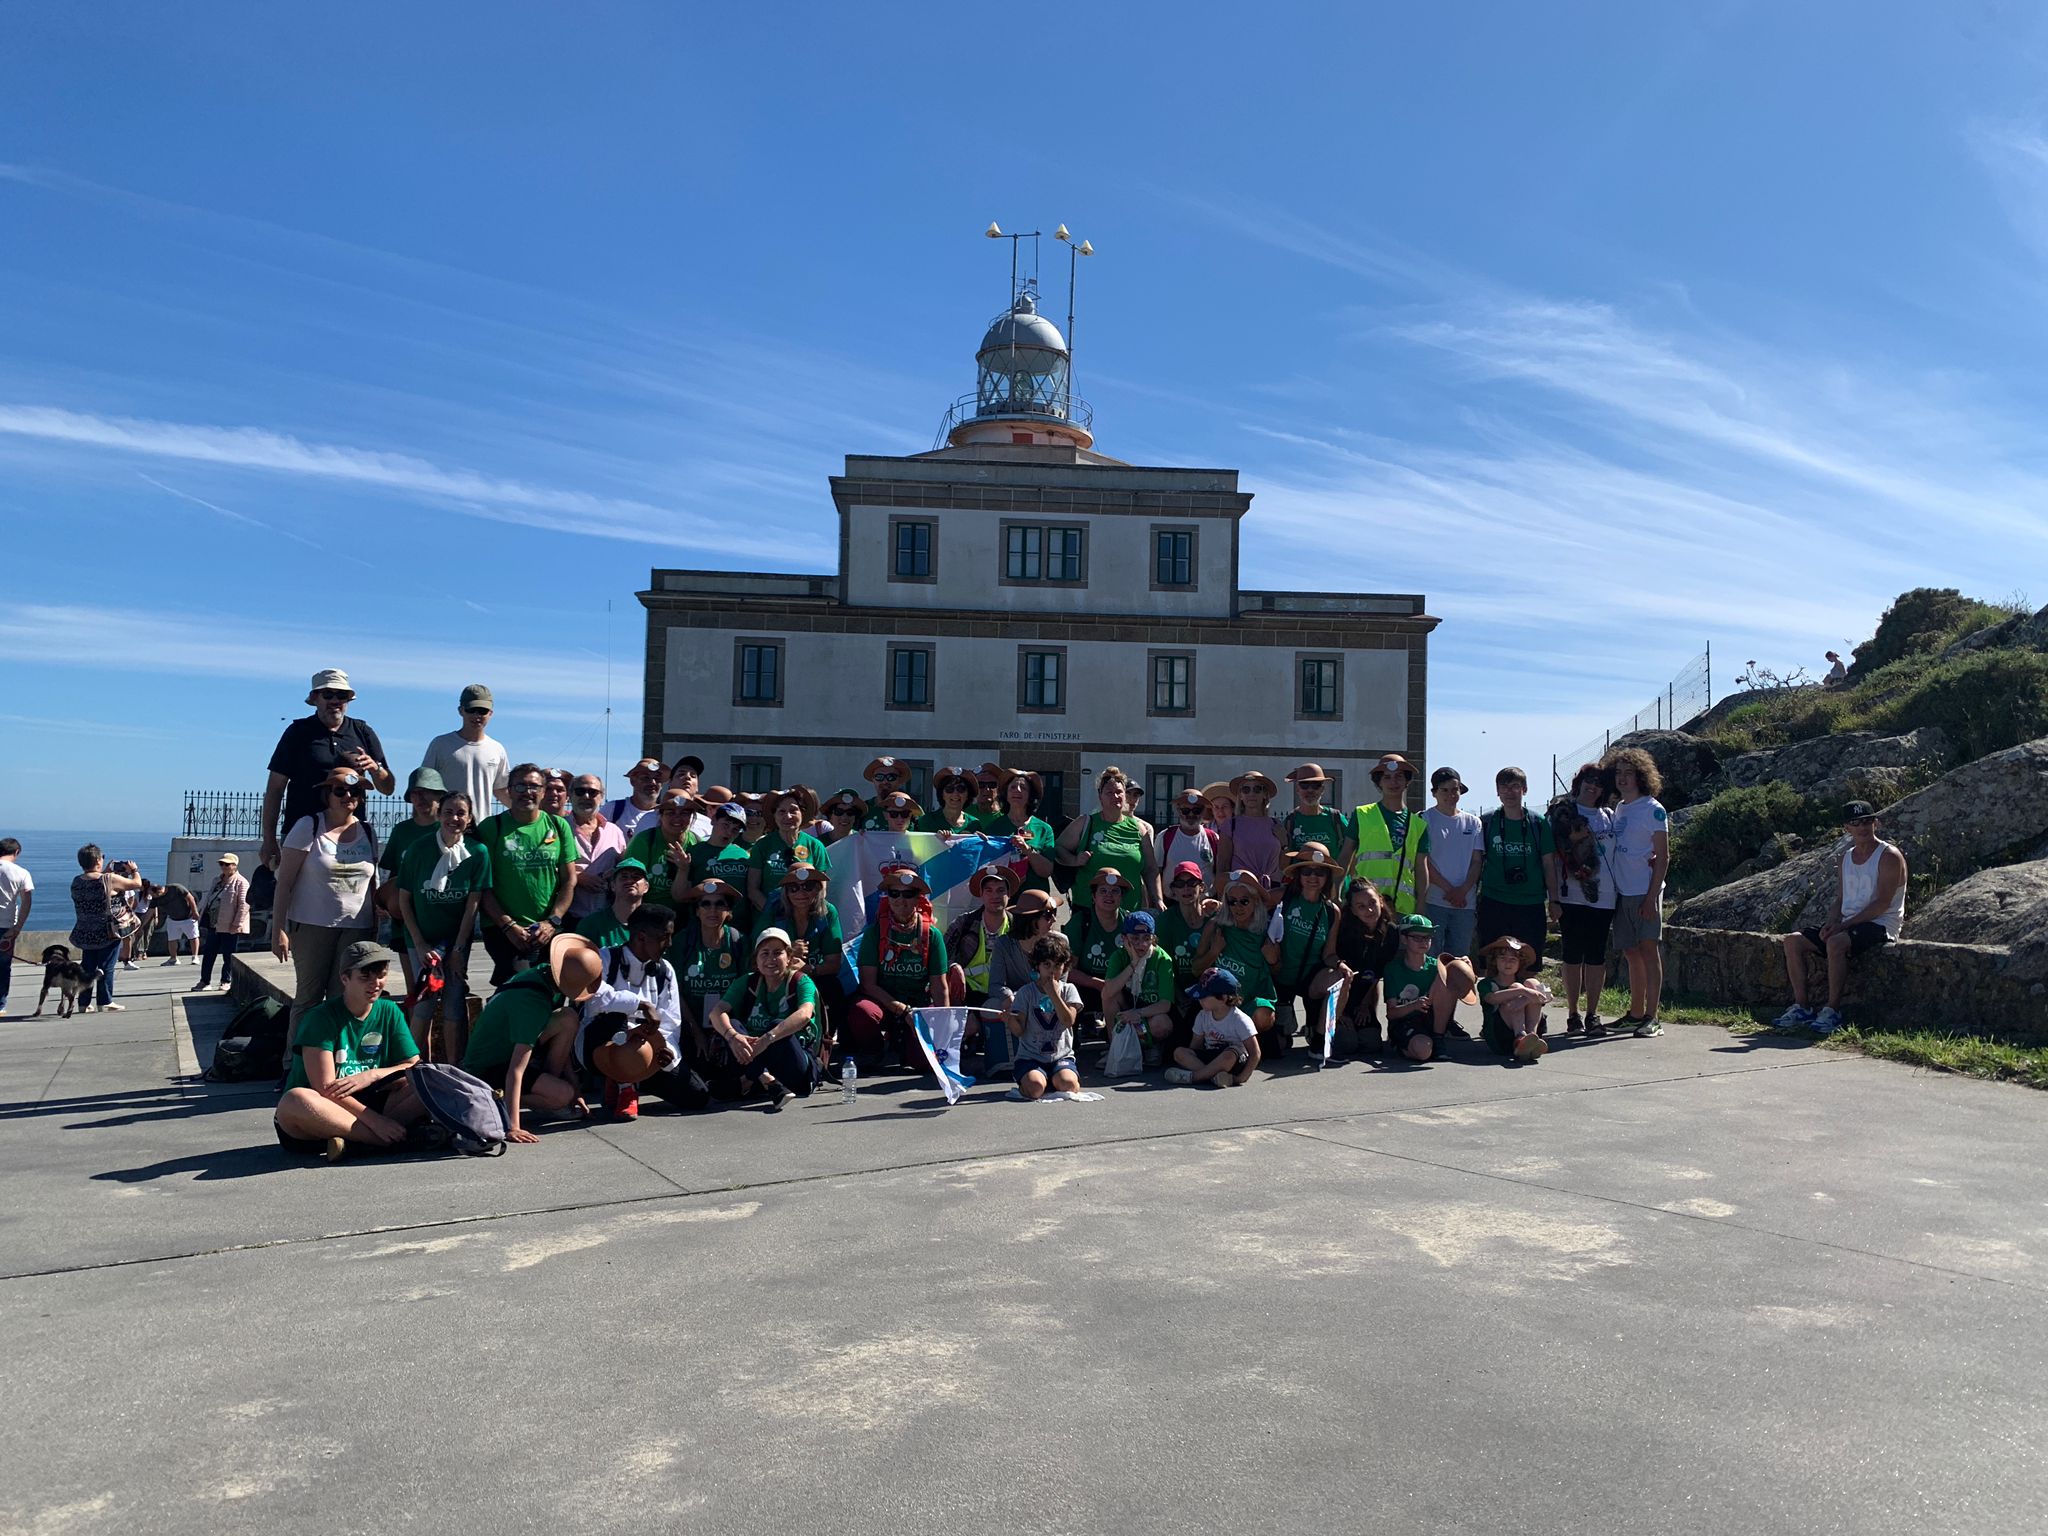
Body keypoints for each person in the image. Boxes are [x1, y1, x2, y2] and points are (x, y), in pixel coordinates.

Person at [273, 941, 428, 1160]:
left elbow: (412, 1064)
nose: (375, 983)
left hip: (370, 1101)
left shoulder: (389, 1010)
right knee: (295, 1100)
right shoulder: (321, 1018)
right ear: (345, 979)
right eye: (365, 977)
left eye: (381, 975)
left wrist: (371, 1075)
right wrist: (377, 1122)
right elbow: (326, 1088)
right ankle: (389, 1141)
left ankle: (356, 1144)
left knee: (431, 1081)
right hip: (325, 1109)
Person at [1774, 801, 1908, 1036]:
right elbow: (1840, 898)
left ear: (1876, 822)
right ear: (1847, 828)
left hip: (1881, 924)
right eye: (1856, 823)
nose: (1862, 827)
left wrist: (1843, 926)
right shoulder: (1845, 858)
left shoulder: (1889, 856)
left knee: (1835, 943)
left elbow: (1882, 903)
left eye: (1867, 821)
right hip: (1849, 923)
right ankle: (1802, 1007)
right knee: (1792, 940)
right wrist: (1831, 922)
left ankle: (1832, 1010)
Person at [462, 934, 604, 1144]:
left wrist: (577, 1091)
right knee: (561, 1094)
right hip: (487, 1070)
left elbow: (561, 1044)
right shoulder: (532, 1003)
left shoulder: (543, 975)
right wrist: (513, 1127)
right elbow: (516, 1070)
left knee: (567, 1018)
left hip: (507, 1052)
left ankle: (549, 1088)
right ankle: (498, 1102)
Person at [271, 768, 381, 1031]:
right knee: (308, 998)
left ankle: (335, 1061)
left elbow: (373, 884)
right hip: (311, 925)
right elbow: (284, 883)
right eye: (340, 790)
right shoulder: (309, 826)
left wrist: (375, 926)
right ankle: (295, 1065)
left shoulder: (367, 831)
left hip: (357, 927)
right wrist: (279, 931)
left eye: (355, 791)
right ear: (327, 794)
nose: (348, 796)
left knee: (344, 997)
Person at [261, 668, 394, 869]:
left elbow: (388, 788)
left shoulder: (362, 731)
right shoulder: (298, 733)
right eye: (328, 694)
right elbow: (275, 789)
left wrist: (376, 769)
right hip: (303, 833)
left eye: (341, 695)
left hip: (350, 834)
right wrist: (268, 839)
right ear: (315, 698)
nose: (335, 700)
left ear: (348, 700)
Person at [580, 905, 705, 1119]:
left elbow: (671, 1020)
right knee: (617, 1015)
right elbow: (598, 999)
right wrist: (641, 1005)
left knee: (697, 1096)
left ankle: (629, 1079)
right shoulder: (605, 958)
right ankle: (625, 1087)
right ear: (641, 937)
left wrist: (666, 1050)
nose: (670, 944)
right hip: (599, 1045)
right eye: (665, 937)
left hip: (645, 1052)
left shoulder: (665, 969)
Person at [395, 792, 491, 1063]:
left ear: (469, 818)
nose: (454, 818)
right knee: (423, 1004)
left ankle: (454, 1067)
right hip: (421, 938)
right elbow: (405, 900)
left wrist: (460, 947)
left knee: (453, 1004)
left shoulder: (477, 853)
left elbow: (472, 905)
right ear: (439, 815)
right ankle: (414, 1067)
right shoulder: (419, 849)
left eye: (461, 813)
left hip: (455, 939)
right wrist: (421, 944)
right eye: (448, 812)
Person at [473, 763, 578, 987]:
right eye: (520, 786)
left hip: (548, 930)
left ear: (542, 792)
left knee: (552, 994)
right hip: (504, 930)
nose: (527, 792)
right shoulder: (492, 827)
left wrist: (552, 921)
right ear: (509, 791)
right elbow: (482, 885)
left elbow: (569, 880)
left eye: (534, 786)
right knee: (518, 990)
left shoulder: (558, 826)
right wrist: (508, 926)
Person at [705, 927, 821, 1110]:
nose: (770, 960)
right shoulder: (747, 981)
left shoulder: (801, 981)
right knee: (733, 1025)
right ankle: (767, 1080)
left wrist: (768, 1039)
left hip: (794, 1063)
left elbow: (805, 1013)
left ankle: (748, 1081)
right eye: (764, 953)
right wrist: (732, 1037)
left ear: (789, 958)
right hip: (756, 1057)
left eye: (778, 953)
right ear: (756, 959)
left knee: (777, 1026)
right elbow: (716, 1012)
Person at [848, 867, 950, 1069]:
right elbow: (868, 985)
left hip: (918, 1006)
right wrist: (902, 1010)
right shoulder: (874, 933)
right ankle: (875, 1050)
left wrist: (943, 1025)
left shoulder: (932, 936)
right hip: (884, 1005)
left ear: (918, 899)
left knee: (924, 1064)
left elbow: (940, 986)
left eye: (908, 894)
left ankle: (905, 1044)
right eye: (894, 893)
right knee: (862, 1012)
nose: (900, 900)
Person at [1603, 747, 1670, 1037]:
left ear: (1641, 776)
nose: (1622, 779)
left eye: (1628, 773)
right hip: (1622, 891)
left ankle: (1652, 1016)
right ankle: (1635, 1013)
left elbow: (1663, 856)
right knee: (1631, 953)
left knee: (1648, 951)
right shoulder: (1620, 808)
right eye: (1618, 773)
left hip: (1645, 891)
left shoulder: (1653, 809)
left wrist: (1650, 898)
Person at [1551, 764, 1619, 1036]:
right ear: (1578, 782)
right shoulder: (1563, 813)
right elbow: (1553, 857)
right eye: (1589, 781)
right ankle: (1572, 1013)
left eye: (1599, 783)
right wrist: (1553, 897)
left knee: (1596, 956)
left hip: (1605, 895)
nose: (1593, 786)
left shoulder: (1610, 815)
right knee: (1571, 954)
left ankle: (1592, 1013)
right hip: (1572, 894)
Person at [1474, 766, 1561, 966]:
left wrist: (1554, 901)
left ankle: (1523, 996)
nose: (1509, 792)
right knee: (1492, 962)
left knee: (1528, 962)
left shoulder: (1538, 824)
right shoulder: (1487, 822)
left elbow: (1549, 864)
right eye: (1504, 787)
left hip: (1531, 903)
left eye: (1515, 786)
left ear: (1525, 789)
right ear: (1497, 791)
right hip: (1494, 900)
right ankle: (1493, 998)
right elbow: (1477, 862)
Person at [1196, 869, 1281, 1058]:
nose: (1238, 907)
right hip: (1219, 1003)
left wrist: (1273, 960)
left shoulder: (1266, 930)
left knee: (1264, 1016)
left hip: (1251, 1001)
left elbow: (1278, 971)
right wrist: (1214, 951)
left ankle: (1235, 1050)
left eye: (1244, 901)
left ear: (1255, 901)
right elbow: (1196, 969)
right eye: (1231, 901)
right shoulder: (1215, 926)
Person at [769, 864, 847, 1067]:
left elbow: (834, 964)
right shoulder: (774, 909)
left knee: (834, 989)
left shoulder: (828, 912)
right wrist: (786, 953)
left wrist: (809, 969)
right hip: (779, 976)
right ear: (785, 891)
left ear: (818, 889)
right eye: (793, 887)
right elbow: (757, 956)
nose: (801, 893)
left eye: (808, 886)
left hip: (814, 975)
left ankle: (824, 1047)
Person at [377, 766, 446, 994]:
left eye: (427, 791)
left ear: (439, 795)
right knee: (417, 990)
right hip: (405, 923)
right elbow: (388, 872)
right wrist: (383, 901)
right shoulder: (402, 831)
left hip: (442, 921)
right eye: (416, 793)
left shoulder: (447, 829)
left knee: (447, 990)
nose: (421, 798)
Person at [1270, 843, 1342, 1056]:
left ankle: (1319, 1037)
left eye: (1320, 872)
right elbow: (1244, 904)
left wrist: (1340, 965)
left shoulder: (1331, 912)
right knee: (1278, 1046)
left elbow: (1328, 954)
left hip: (1310, 979)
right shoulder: (1282, 897)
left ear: (1327, 877)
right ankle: (1284, 1017)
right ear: (1298, 874)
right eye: (1307, 871)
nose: (1313, 877)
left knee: (1339, 977)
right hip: (1279, 975)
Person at [1057, 766, 1159, 911]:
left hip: (1129, 911)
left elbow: (1150, 869)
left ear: (1125, 796)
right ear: (1100, 796)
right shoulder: (1085, 823)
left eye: (1119, 792)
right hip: (1088, 911)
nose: (1115, 796)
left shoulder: (1139, 828)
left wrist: (1158, 899)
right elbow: (1059, 849)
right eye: (1109, 792)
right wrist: (1074, 860)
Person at [1344, 754, 1432, 919]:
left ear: (1407, 781)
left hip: (1402, 908)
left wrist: (1420, 906)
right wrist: (1337, 892)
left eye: (1399, 777)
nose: (1393, 782)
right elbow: (1345, 857)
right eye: (1387, 777)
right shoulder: (1362, 814)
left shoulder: (1419, 825)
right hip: (1365, 905)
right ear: (1379, 782)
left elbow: (1421, 869)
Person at [944, 865, 1019, 1059]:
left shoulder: (1018, 926)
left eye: (1001, 890)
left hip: (1005, 993)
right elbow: (940, 956)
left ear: (1009, 894)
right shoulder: (964, 923)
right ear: (981, 894)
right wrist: (954, 967)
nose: (995, 896)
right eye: (989, 890)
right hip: (968, 993)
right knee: (966, 1028)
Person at [983, 888, 1058, 1078]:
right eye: (1048, 915)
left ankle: (1054, 1059)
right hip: (1016, 1000)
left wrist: (1029, 997)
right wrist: (1009, 996)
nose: (1054, 920)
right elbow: (995, 985)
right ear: (1032, 920)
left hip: (1047, 998)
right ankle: (1005, 1063)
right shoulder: (1004, 944)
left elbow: (1060, 985)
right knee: (991, 1005)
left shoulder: (1059, 943)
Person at [1005, 933, 1083, 1101]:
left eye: (1057, 965)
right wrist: (1009, 1019)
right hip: (1030, 1057)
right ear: (1037, 966)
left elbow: (1068, 1020)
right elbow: (1019, 1030)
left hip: (1060, 1056)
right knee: (1035, 1088)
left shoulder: (1068, 990)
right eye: (1047, 965)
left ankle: (1056, 1078)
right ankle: (1034, 1080)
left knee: (1068, 1084)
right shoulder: (1026, 992)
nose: (1052, 971)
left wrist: (1054, 995)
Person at [1325, 879, 1397, 1056]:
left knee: (1371, 1045)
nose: (1369, 910)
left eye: (1372, 903)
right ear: (1353, 910)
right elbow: (1328, 961)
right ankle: (1318, 1028)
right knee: (1346, 1045)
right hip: (1339, 996)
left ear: (1381, 900)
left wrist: (1366, 1005)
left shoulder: (1392, 932)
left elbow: (1378, 971)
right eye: (1361, 906)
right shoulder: (1343, 931)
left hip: (1363, 994)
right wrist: (1341, 1011)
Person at [418, 684, 512, 818]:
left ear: (490, 713)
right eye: (471, 710)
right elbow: (424, 786)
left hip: (481, 829)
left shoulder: (497, 749)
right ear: (461, 710)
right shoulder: (441, 744)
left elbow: (501, 789)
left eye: (482, 711)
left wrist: (527, 814)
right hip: (447, 826)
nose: (477, 715)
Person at [69, 845, 143, 1013]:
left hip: (85, 930)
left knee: (87, 966)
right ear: (97, 860)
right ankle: (105, 1001)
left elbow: (94, 886)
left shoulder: (77, 881)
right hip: (107, 931)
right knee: (107, 965)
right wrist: (134, 870)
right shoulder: (109, 879)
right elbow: (136, 884)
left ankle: (84, 1003)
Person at [1422, 767, 1483, 961]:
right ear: (1434, 793)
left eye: (1455, 789)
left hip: (1465, 903)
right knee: (1431, 957)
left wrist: (1462, 891)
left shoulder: (1474, 823)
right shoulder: (1424, 819)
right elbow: (1423, 861)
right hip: (1434, 900)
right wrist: (1450, 891)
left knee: (1459, 959)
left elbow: (1476, 861)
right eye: (1445, 790)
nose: (1451, 795)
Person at [1102, 910, 1175, 1068]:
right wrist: (1134, 964)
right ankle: (1115, 1047)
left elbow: (1165, 1004)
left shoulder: (1163, 960)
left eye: (1146, 939)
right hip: (1126, 1007)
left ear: (1153, 939)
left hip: (1147, 1014)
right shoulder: (1119, 956)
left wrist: (1137, 1014)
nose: (1141, 945)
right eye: (1135, 939)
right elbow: (1108, 991)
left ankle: (1150, 1047)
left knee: (1163, 1023)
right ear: (1124, 939)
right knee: (1108, 996)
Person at [1166, 967, 1261, 1087]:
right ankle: (1213, 1077)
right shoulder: (1202, 1016)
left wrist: (1240, 1079)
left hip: (1233, 1061)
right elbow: (1196, 1046)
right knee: (1179, 1052)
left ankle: (1194, 1077)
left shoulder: (1240, 1020)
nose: (1200, 999)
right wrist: (1190, 1057)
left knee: (1229, 1055)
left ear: (1223, 998)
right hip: (1211, 1056)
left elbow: (1255, 1053)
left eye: (1204, 996)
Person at [1065, 867, 1134, 1030]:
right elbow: (1067, 970)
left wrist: (1113, 985)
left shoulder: (1130, 923)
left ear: (1121, 897)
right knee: (1065, 990)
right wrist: (1097, 983)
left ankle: (1118, 1046)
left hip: (1121, 986)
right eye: (1103, 891)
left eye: (1115, 891)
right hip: (1085, 984)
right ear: (1093, 896)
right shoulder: (1079, 922)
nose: (1109, 895)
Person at [747, 786, 832, 917]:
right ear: (774, 816)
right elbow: (753, 889)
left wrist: (803, 914)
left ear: (802, 814)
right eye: (782, 811)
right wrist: (774, 914)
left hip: (805, 917)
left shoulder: (815, 845)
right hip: (770, 917)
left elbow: (822, 889)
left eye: (793, 810)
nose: (788, 816)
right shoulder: (762, 845)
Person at [1382, 914, 1454, 1064]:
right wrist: (1414, 1005)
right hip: (1405, 1021)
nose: (1423, 942)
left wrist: (1464, 967)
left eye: (1427, 938)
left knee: (1449, 974)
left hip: (1431, 1020)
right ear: (1404, 939)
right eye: (1416, 937)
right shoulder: (1393, 969)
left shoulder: (1437, 966)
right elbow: (1391, 1013)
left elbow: (1467, 986)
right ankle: (1404, 1044)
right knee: (1423, 1051)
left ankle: (1438, 1037)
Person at [623, 788, 700, 914]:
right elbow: (629, 881)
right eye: (671, 813)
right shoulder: (645, 840)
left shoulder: (696, 842)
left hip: (685, 917)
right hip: (648, 915)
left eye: (684, 813)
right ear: (660, 815)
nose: (677, 818)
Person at [1476, 936, 1551, 1063]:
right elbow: (1492, 999)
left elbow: (1547, 995)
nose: (1508, 963)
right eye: (1503, 959)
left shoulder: (1525, 983)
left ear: (1520, 963)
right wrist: (1524, 992)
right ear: (1494, 961)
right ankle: (1520, 1038)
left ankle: (1531, 1038)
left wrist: (1529, 998)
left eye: (1513, 959)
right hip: (1501, 1037)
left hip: (1530, 1031)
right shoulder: (1487, 984)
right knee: (1517, 987)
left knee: (1532, 983)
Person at [566, 771, 629, 921]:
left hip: (606, 919)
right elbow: (547, 867)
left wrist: (615, 874)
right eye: (580, 791)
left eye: (593, 792)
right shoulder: (558, 828)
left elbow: (623, 866)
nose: (586, 797)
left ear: (601, 797)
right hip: (568, 918)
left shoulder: (614, 831)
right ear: (570, 795)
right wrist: (578, 877)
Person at [685, 801, 757, 928]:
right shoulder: (694, 852)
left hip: (740, 926)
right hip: (704, 924)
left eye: (735, 829)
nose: (729, 832)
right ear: (713, 820)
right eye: (725, 825)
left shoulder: (744, 855)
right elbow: (685, 892)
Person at [986, 769, 1058, 896]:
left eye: (1023, 788)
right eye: (1012, 787)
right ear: (1006, 794)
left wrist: (1028, 850)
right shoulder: (993, 828)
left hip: (1034, 900)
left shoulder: (1044, 829)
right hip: (1003, 899)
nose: (1017, 790)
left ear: (1030, 796)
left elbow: (1047, 871)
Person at [1215, 770, 1283, 891]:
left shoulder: (1276, 824)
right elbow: (1222, 866)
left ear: (1265, 795)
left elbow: (1283, 862)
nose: (1251, 794)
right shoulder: (1231, 825)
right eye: (1246, 790)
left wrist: (1285, 843)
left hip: (1272, 890)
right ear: (1240, 795)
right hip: (1241, 890)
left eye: (1257, 789)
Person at [193, 853, 250, 991]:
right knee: (208, 953)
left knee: (228, 955)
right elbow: (208, 897)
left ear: (235, 866)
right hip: (214, 923)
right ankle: (204, 981)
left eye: (227, 864)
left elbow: (244, 904)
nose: (224, 867)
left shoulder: (241, 882)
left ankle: (226, 980)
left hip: (230, 925)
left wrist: (237, 924)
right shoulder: (216, 880)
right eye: (222, 864)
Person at [576, 858, 649, 950]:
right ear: (612, 886)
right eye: (624, 877)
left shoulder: (655, 926)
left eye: (636, 877)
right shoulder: (591, 924)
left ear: (646, 887)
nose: (630, 881)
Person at [1155, 788, 1219, 890]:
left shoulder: (1213, 838)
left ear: (1203, 811)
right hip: (1172, 901)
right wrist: (1158, 899)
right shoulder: (1165, 836)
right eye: (1186, 810)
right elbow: (1155, 872)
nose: (1191, 815)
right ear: (1178, 810)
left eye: (1196, 810)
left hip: (1205, 903)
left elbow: (1220, 871)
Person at [1282, 764, 1347, 857]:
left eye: (1315, 785)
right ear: (1297, 789)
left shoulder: (1336, 818)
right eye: (1304, 785)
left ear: (1322, 789)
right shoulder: (1290, 822)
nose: (1310, 790)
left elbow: (1351, 850)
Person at [601, 758, 668, 840]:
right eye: (646, 778)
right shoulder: (612, 809)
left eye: (657, 779)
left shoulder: (665, 814)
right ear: (633, 781)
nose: (653, 782)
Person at [0, 837, 30, 1016]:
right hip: (7, 926)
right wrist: (18, 927)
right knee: (3, 967)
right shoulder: (21, 873)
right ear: (16, 852)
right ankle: (0, 1004)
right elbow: (27, 901)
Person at [916, 766, 981, 834]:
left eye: (961, 789)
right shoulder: (927, 821)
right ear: (942, 794)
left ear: (968, 795)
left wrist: (978, 840)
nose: (955, 794)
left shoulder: (974, 824)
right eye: (949, 789)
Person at [154, 880, 200, 967]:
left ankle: (195, 957)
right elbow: (150, 910)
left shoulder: (176, 888)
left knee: (193, 937)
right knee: (172, 939)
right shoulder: (155, 897)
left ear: (161, 890)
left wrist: (195, 912)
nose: (156, 897)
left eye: (157, 894)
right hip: (173, 919)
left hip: (188, 917)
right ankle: (173, 958)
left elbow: (190, 898)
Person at [858, 756, 911, 828]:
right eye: (879, 777)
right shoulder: (863, 809)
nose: (885, 781)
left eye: (891, 777)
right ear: (873, 780)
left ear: (899, 780)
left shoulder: (911, 809)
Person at [972, 763, 1005, 829]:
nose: (986, 789)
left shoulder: (1009, 816)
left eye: (992, 785)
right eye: (981, 785)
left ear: (999, 788)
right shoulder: (963, 814)